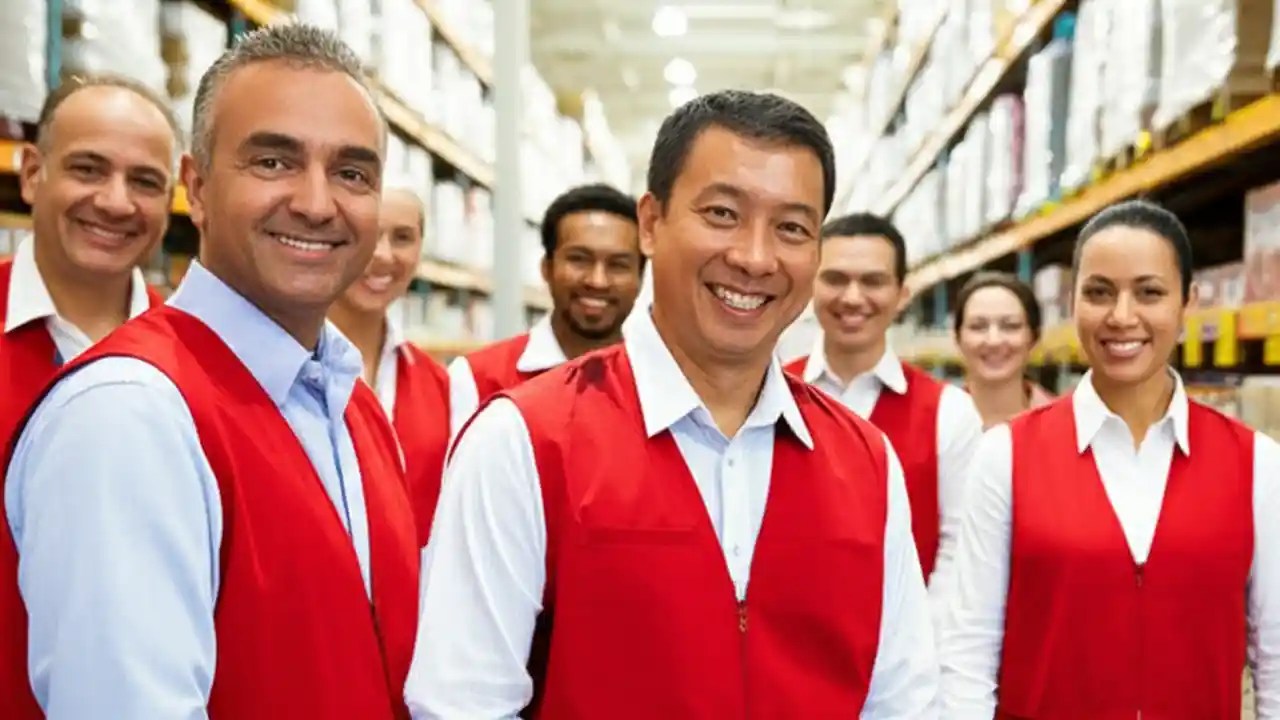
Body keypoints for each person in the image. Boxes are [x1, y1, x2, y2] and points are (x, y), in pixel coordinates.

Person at [406, 90, 938, 718]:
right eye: (721, 213)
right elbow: (461, 703)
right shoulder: (525, 442)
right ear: (652, 223)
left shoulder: (866, 463)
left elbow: (903, 700)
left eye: (792, 228)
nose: (754, 257)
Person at [2, 25, 420, 718]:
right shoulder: (130, 414)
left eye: (352, 173)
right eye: (273, 162)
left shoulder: (354, 408)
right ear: (195, 188)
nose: (317, 203)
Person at [941, 199, 1280, 718]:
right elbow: (968, 650)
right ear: (1072, 303)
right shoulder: (1006, 455)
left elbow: (1274, 658)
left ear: (1186, 303)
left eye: (1149, 292)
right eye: (1099, 293)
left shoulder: (1256, 464)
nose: (1123, 317)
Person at [0, 73, 179, 718]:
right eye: (88, 168)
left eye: (145, 182)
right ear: (30, 173)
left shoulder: (204, 367)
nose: (115, 201)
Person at [783, 213, 983, 619]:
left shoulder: (949, 412)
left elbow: (957, 553)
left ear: (902, 294)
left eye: (873, 282)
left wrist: (918, 651)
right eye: (836, 279)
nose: (853, 297)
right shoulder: (771, 394)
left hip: (902, 659)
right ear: (811, 286)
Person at [447, 182, 642, 435]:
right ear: (546, 268)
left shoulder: (658, 383)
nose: (597, 281)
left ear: (640, 278)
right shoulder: (475, 380)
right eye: (579, 259)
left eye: (618, 265)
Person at [328, 186, 450, 549]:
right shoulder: (283, 371)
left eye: (403, 238)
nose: (382, 256)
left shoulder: (440, 386)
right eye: (367, 234)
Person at [953, 271, 1054, 429]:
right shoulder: (932, 426)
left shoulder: (1069, 425)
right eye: (978, 326)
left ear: (1034, 338)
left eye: (1010, 326)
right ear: (958, 338)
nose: (994, 341)